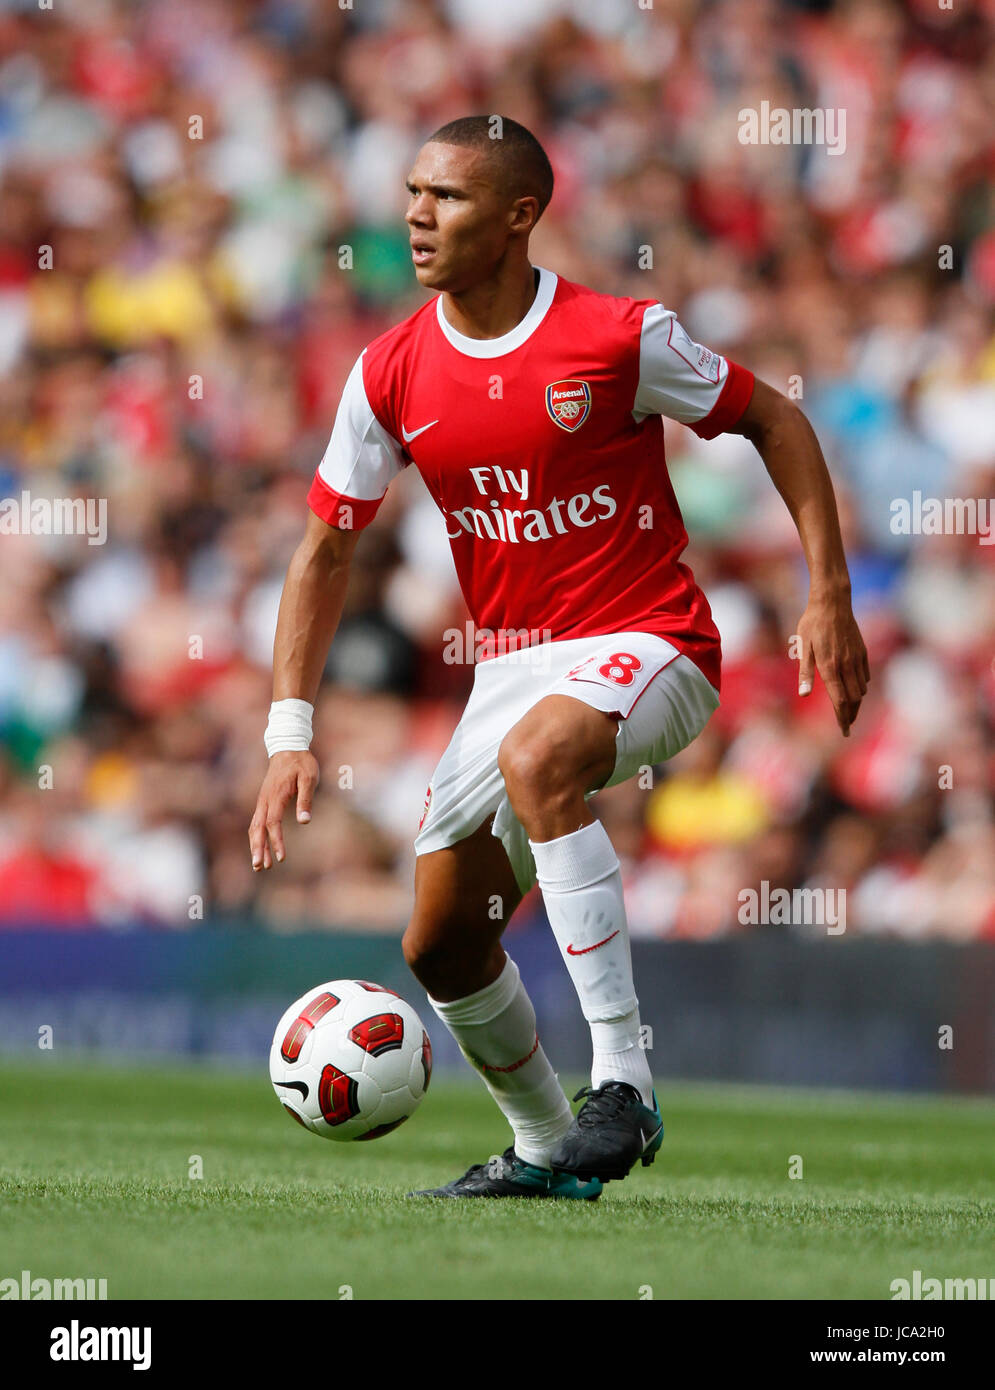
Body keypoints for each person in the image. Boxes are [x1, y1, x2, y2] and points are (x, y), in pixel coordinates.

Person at [248, 116, 869, 1200]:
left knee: (542, 761)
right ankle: (544, 1151)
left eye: (445, 197)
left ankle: (623, 1085)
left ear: (520, 215)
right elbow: (325, 546)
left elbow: (774, 419)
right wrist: (288, 731)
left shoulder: (618, 337)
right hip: (509, 670)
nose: (414, 215)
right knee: (442, 944)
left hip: (653, 640)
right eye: (411, 192)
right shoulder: (389, 369)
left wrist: (827, 592)